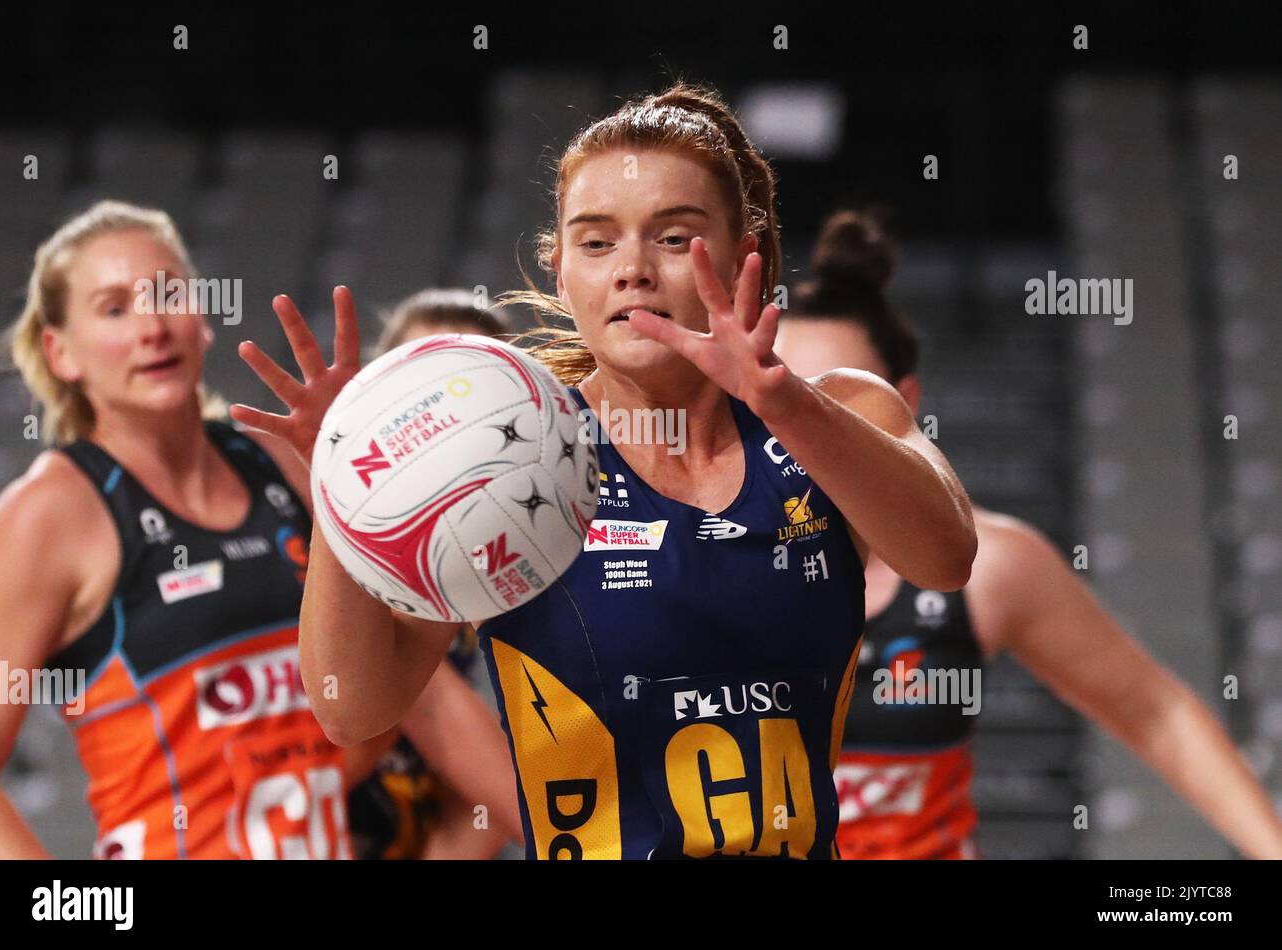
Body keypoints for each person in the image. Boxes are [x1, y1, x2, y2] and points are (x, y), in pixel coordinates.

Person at [231, 84, 978, 860]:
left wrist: (782, 400)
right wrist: (344, 494)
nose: (632, 270)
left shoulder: (839, 412)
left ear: (742, 252)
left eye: (672, 236)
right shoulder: (503, 464)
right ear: (561, 274)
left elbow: (945, 556)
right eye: (596, 243)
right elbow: (350, 711)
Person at [775, 209, 1282, 859]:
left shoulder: (990, 565)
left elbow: (1156, 713)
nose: (803, 428)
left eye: (836, 402)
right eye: (782, 397)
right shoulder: (696, 554)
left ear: (904, 403)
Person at [0, 199, 373, 858]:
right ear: (61, 353)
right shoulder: (49, 514)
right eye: (114, 310)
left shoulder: (279, 461)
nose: (153, 328)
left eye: (169, 296)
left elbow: (391, 700)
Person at [347, 288, 523, 860]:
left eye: (469, 387)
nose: (439, 416)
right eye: (419, 386)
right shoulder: (319, 535)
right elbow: (351, 744)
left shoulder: (529, 549)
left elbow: (499, 775)